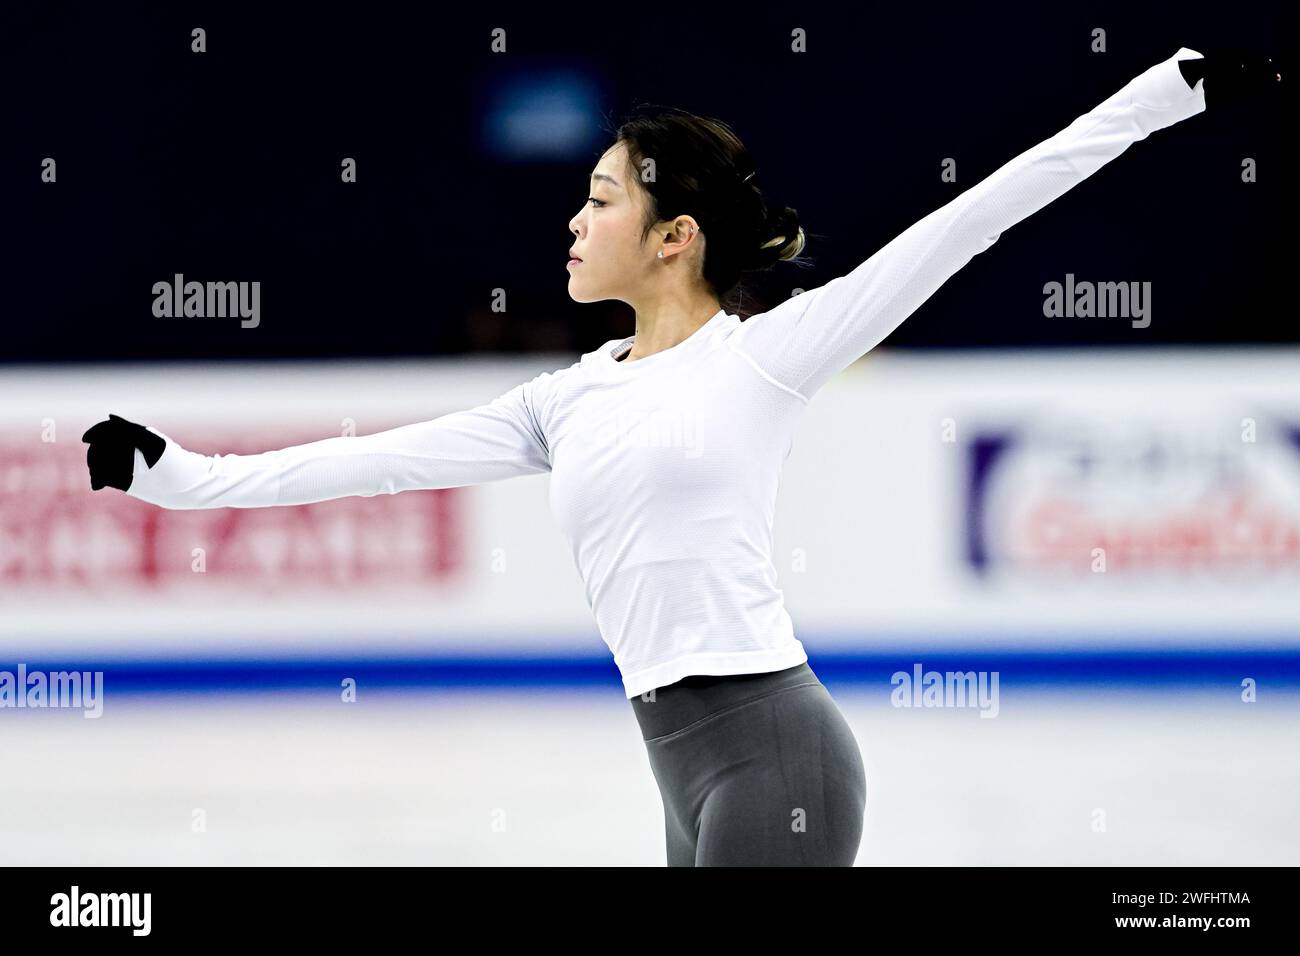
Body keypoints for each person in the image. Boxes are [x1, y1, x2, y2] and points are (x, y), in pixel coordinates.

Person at [84, 46, 1278, 865]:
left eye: (599, 199)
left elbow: (983, 213)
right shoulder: (564, 401)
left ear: (673, 237)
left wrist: (1165, 92)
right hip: (679, 765)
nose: (571, 220)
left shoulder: (768, 353)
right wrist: (178, 475)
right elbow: (371, 461)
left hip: (778, 749)